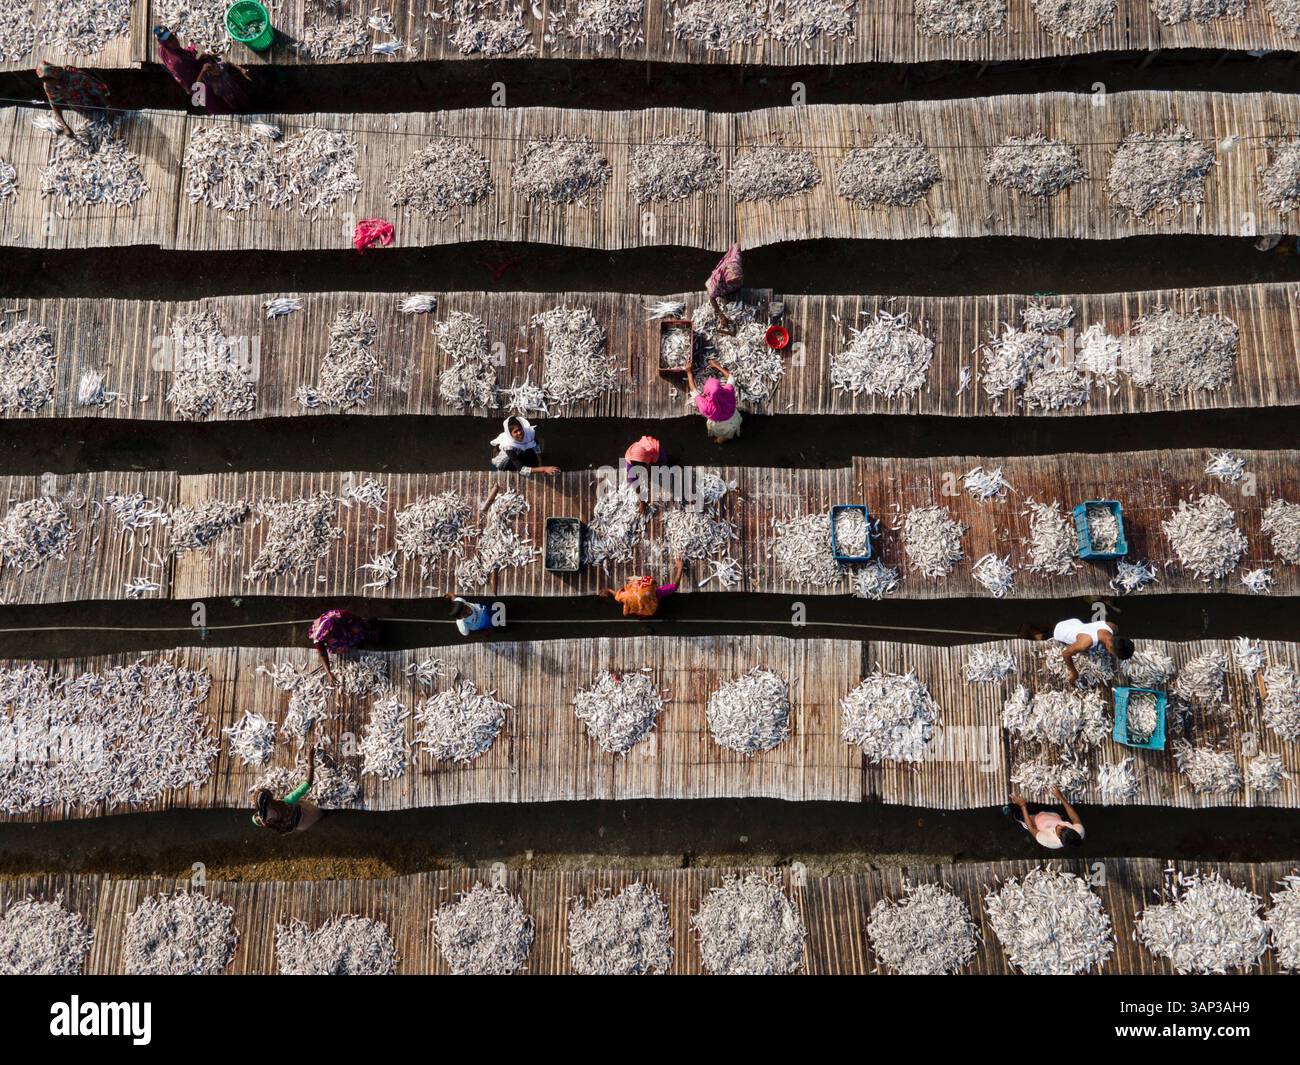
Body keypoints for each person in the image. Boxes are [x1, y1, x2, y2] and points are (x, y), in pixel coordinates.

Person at [153, 26, 253, 115]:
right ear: (163, 42)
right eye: (169, 40)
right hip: (199, 88)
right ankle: (233, 114)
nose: (174, 40)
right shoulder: (178, 63)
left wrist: (202, 58)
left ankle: (238, 105)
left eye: (172, 36)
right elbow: (193, 88)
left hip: (194, 72)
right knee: (220, 107)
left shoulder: (162, 49)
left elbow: (224, 64)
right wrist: (203, 70)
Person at [1024, 617, 1134, 686]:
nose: (1111, 655)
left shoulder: (1112, 627)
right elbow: (1065, 654)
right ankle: (1027, 629)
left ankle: (1046, 626)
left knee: (1052, 627)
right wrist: (1074, 672)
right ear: (1110, 646)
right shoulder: (1086, 643)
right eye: (1113, 654)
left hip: (1074, 622)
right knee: (1042, 637)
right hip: (1061, 632)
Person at [252, 747, 325, 834]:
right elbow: (308, 783)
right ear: (270, 803)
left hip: (300, 826)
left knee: (316, 821)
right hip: (308, 815)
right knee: (320, 814)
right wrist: (310, 758)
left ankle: (321, 821)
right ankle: (324, 816)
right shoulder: (288, 801)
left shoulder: (269, 822)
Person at [36, 62, 111, 135]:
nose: (47, 82)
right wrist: (64, 126)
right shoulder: (48, 85)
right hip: (80, 108)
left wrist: (108, 106)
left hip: (97, 101)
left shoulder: (74, 75)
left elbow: (97, 90)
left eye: (48, 79)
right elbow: (54, 104)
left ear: (54, 73)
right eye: (43, 80)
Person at [1005, 786, 1086, 850]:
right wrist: (1061, 797)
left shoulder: (1048, 841)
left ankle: (1011, 814)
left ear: (1060, 839)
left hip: (1032, 820)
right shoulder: (1078, 832)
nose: (1059, 826)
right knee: (1038, 804)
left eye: (1059, 831)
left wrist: (1023, 806)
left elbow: (1031, 829)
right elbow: (1075, 818)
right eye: (1065, 827)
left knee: (1018, 814)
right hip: (1051, 814)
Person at [309, 608, 375, 684]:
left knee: (357, 629)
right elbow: (322, 653)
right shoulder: (317, 636)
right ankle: (354, 642)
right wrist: (328, 672)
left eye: (330, 634)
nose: (329, 636)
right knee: (339, 648)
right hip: (337, 639)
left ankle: (366, 630)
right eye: (327, 636)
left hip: (344, 626)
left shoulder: (341, 614)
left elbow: (355, 618)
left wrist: (361, 624)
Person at [599, 560, 685, 618]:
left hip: (641, 611)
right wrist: (680, 567)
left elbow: (624, 611)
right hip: (653, 608)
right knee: (659, 611)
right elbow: (674, 586)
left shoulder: (624, 596)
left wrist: (609, 591)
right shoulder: (656, 592)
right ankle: (659, 613)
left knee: (634, 612)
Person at [685, 359, 742, 444]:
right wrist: (717, 366)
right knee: (728, 433)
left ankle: (718, 441)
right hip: (732, 420)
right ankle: (722, 439)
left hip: (719, 424)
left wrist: (689, 372)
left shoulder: (706, 407)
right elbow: (731, 378)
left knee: (720, 432)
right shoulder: (728, 391)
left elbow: (693, 390)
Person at [489, 416, 559, 475]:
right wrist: (544, 469)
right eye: (515, 432)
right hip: (506, 462)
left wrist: (540, 464)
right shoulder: (508, 446)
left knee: (533, 456)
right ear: (510, 434)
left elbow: (536, 446)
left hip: (520, 453)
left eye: (520, 429)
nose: (519, 433)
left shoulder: (529, 433)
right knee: (526, 465)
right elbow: (521, 470)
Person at [705, 243, 743, 335]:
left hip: (730, 269)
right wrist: (721, 315)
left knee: (737, 285)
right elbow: (711, 297)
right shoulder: (717, 283)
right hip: (721, 284)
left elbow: (737, 246)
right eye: (732, 282)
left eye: (738, 280)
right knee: (712, 289)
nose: (736, 283)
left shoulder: (736, 259)